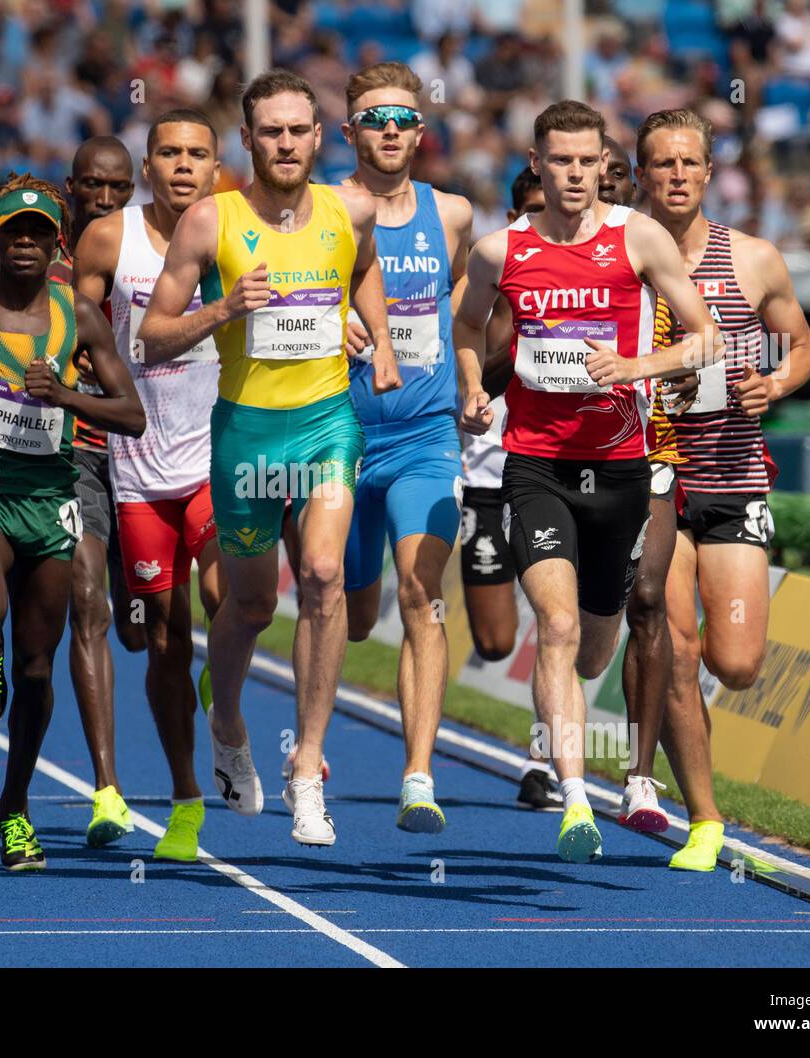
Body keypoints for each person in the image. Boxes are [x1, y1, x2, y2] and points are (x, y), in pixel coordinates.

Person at [454, 100, 723, 864]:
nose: (574, 175)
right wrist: (473, 390)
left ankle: (600, 758)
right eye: (559, 161)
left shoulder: (636, 238)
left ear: (604, 164)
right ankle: (576, 799)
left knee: (597, 646)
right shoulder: (498, 250)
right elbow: (466, 328)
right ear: (536, 163)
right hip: (535, 464)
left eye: (587, 162)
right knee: (558, 628)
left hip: (620, 470)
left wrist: (638, 367)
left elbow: (704, 338)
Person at [139, 69, 400, 846]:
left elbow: (363, 272)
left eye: (299, 130)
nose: (287, 144)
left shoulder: (351, 210)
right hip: (247, 434)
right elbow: (151, 335)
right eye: (272, 132)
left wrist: (377, 339)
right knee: (250, 606)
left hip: (326, 425)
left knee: (322, 577)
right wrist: (222, 308)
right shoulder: (207, 222)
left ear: (320, 137)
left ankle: (307, 768)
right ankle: (225, 721)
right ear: (247, 141)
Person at [0, 174, 144, 869]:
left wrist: (66, 394)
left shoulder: (81, 317)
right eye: (15, 232)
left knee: (38, 668)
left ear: (57, 243)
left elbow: (130, 414)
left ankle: (15, 809)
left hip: (51, 498)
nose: (26, 244)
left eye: (40, 233)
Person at [636, 108, 810, 870]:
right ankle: (705, 820)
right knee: (678, 646)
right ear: (641, 172)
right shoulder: (620, 257)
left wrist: (774, 382)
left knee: (736, 663)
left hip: (734, 476)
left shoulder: (754, 260)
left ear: (711, 172)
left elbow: (804, 346)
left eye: (689, 163)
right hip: (651, 481)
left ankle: (652, 672)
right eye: (662, 164)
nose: (677, 176)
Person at [73, 109, 224, 862]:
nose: (184, 165)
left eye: (198, 153)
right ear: (150, 165)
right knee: (160, 641)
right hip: (136, 469)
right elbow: (65, 318)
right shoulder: (110, 237)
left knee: (235, 599)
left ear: (218, 164)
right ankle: (186, 801)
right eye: (169, 152)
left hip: (217, 458)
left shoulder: (238, 229)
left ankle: (226, 710)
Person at [332, 62, 472, 833]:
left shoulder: (450, 214)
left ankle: (418, 773)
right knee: (351, 616)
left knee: (424, 595)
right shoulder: (322, 211)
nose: (389, 129)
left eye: (403, 118)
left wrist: (466, 375)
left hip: (425, 436)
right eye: (374, 117)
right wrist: (333, 324)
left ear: (421, 131)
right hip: (341, 437)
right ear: (349, 131)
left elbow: (464, 300)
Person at [48, 136, 145, 846]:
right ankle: (106, 790)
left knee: (146, 630)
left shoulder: (157, 252)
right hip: (73, 452)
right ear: (72, 187)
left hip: (149, 452)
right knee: (90, 606)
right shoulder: (41, 258)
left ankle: (212, 682)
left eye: (117, 187)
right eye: (91, 186)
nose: (104, 199)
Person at [608, 132, 697, 834]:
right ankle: (556, 754)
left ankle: (641, 779)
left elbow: (707, 344)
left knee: (648, 603)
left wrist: (681, 370)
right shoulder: (565, 250)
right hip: (565, 455)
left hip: (654, 452)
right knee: (580, 625)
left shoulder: (674, 252)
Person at [467, 166, 560, 811]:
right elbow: (479, 373)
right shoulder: (498, 279)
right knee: (498, 640)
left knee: (560, 620)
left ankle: (544, 762)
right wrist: (534, 339)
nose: (541, 221)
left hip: (558, 468)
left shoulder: (602, 273)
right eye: (529, 210)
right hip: (486, 479)